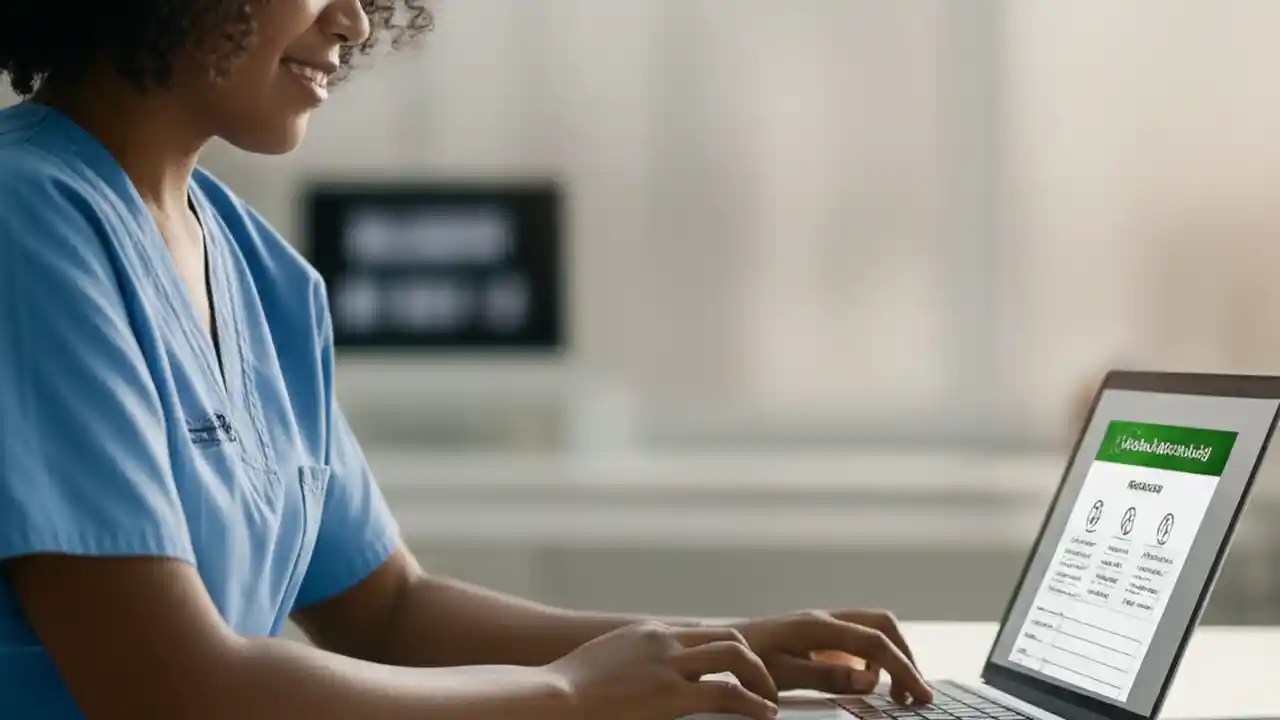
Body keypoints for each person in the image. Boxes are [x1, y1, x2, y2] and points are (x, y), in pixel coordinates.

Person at [0, 2, 934, 718]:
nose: (355, 21)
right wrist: (567, 694)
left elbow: (389, 612)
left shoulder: (262, 274)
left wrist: (712, 648)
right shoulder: (27, 222)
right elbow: (167, 686)